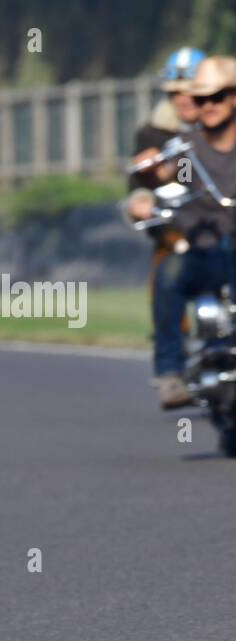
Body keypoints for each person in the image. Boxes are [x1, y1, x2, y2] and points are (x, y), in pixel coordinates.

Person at [128, 55, 236, 410]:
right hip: (203, 251)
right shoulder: (188, 148)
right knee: (169, 273)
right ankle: (170, 373)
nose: (207, 106)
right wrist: (147, 180)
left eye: (216, 97)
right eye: (200, 99)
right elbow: (168, 176)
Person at [126, 48, 205, 408]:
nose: (186, 99)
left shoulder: (224, 126)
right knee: (167, 281)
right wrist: (141, 199)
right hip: (177, 230)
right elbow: (139, 185)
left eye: (195, 90)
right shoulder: (152, 132)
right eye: (177, 92)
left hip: (224, 227)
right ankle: (170, 371)